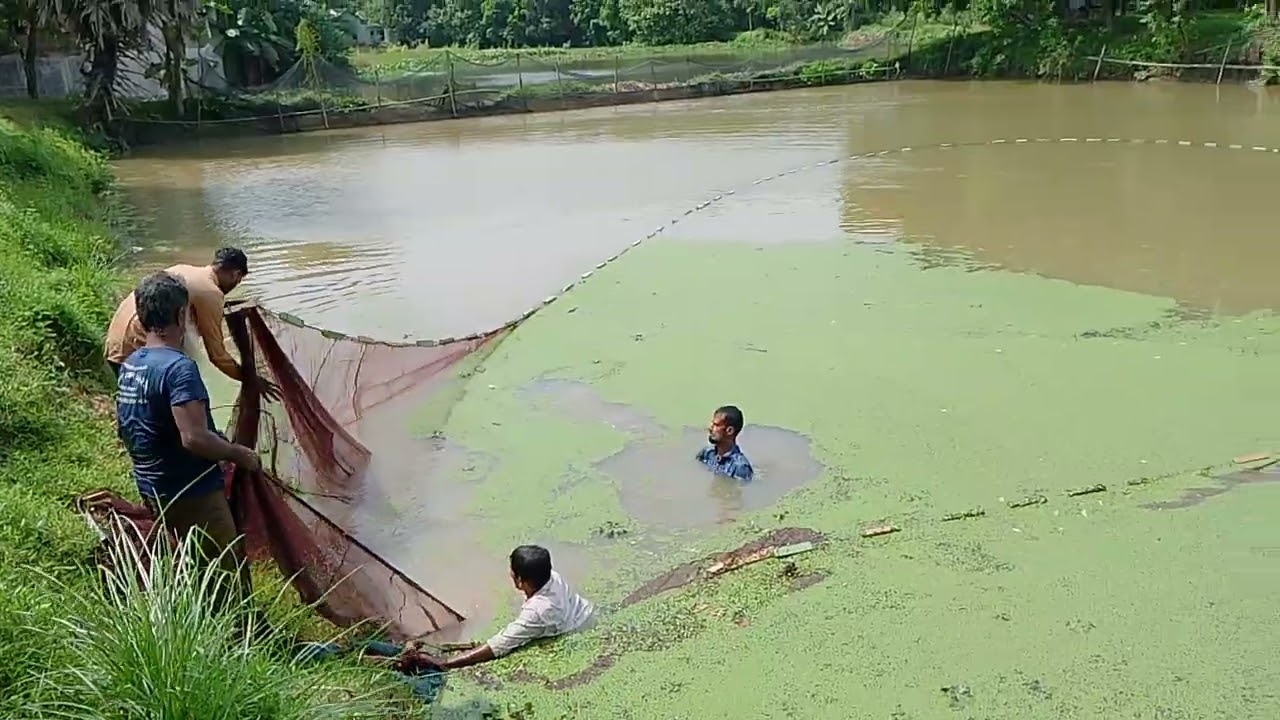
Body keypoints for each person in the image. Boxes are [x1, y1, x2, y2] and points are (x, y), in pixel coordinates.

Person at [115, 271, 261, 607]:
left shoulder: (132, 364)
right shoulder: (179, 368)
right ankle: (241, 640)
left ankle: (202, 618)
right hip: (190, 490)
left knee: (197, 562)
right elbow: (194, 439)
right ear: (182, 315)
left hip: (154, 488)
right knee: (227, 570)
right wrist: (240, 454)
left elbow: (127, 427)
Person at [104, 247, 277, 399]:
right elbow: (217, 355)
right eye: (238, 281)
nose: (235, 285)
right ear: (236, 274)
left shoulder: (184, 269)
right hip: (137, 351)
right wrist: (248, 379)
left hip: (115, 342)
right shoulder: (211, 292)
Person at [422, 545, 595, 670]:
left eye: (513, 573)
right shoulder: (551, 577)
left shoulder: (537, 612)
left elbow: (500, 645)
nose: (510, 575)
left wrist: (444, 662)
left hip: (574, 631)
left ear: (521, 581)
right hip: (586, 613)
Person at [696, 405, 754, 481]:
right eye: (712, 424)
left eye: (716, 425)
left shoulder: (740, 468)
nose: (710, 428)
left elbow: (741, 490)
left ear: (729, 431)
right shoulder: (707, 454)